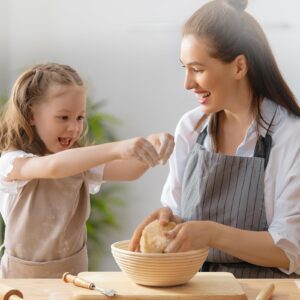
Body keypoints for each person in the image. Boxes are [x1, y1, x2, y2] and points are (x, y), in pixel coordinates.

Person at [129, 0, 300, 278]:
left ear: (239, 67)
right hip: (196, 287)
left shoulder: (290, 136)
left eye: (197, 69)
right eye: (184, 68)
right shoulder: (191, 127)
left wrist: (211, 233)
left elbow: (290, 250)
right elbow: (176, 210)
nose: (187, 83)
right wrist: (166, 221)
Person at [0, 62, 174, 278]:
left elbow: (130, 171)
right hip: (22, 281)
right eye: (63, 117)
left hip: (73, 277)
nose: (74, 127)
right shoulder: (13, 162)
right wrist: (118, 148)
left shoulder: (79, 162)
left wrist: (153, 145)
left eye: (80, 117)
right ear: (31, 115)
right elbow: (53, 167)